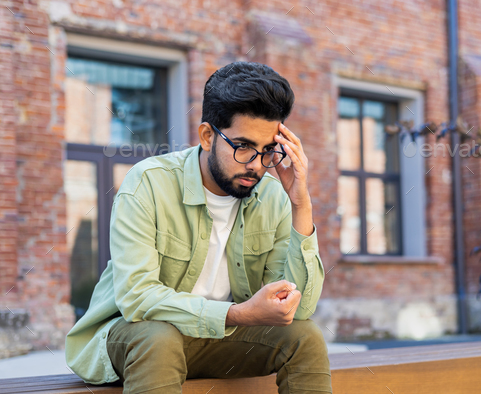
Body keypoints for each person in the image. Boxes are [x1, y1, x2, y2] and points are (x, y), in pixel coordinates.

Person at [65, 61, 332, 394]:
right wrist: (239, 314)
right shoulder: (148, 183)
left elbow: (301, 308)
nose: (256, 165)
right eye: (243, 146)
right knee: (158, 337)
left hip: (220, 341)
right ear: (207, 136)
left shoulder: (274, 196)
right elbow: (137, 298)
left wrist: (301, 204)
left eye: (268, 151)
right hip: (137, 338)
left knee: (304, 336)